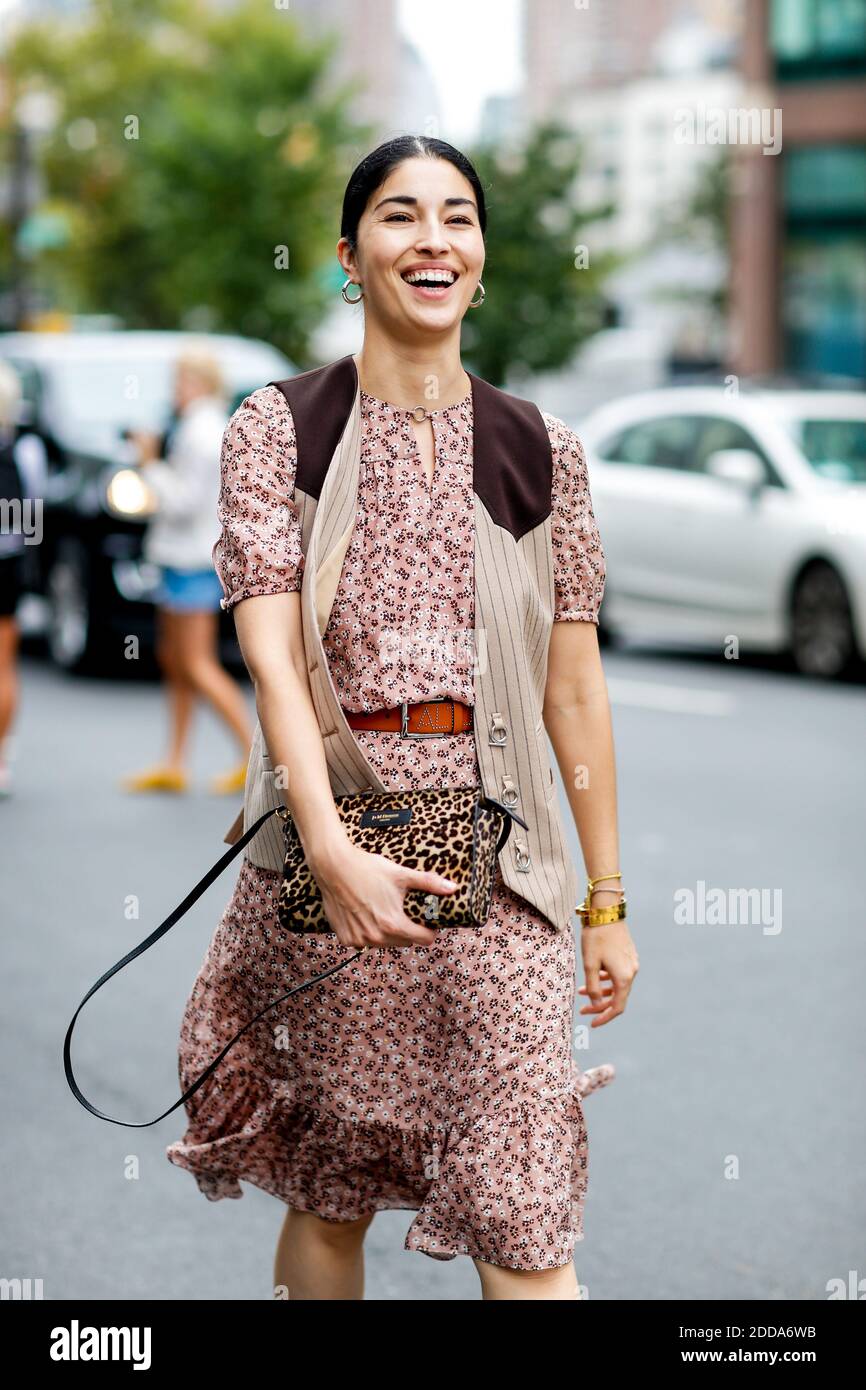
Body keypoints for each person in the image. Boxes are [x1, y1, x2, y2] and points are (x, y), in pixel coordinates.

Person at [165, 136, 639, 1301]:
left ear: (479, 261)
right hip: (330, 854)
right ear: (348, 255)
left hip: (505, 862)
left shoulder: (545, 451)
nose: (431, 238)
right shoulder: (280, 428)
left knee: (527, 1217)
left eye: (457, 219)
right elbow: (272, 659)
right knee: (334, 1197)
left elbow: (571, 689)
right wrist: (328, 850)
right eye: (398, 216)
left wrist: (605, 899)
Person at [121, 347, 253, 795]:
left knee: (196, 664)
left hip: (194, 560)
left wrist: (149, 463)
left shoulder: (202, 432)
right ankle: (174, 762)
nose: (173, 391)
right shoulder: (200, 426)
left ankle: (254, 754)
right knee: (175, 661)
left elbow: (182, 503)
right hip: (181, 559)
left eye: (179, 381)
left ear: (198, 383)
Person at [0, 359, 48, 798]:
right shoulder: (26, 450)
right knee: (4, 665)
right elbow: (32, 512)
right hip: (7, 564)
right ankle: (2, 761)